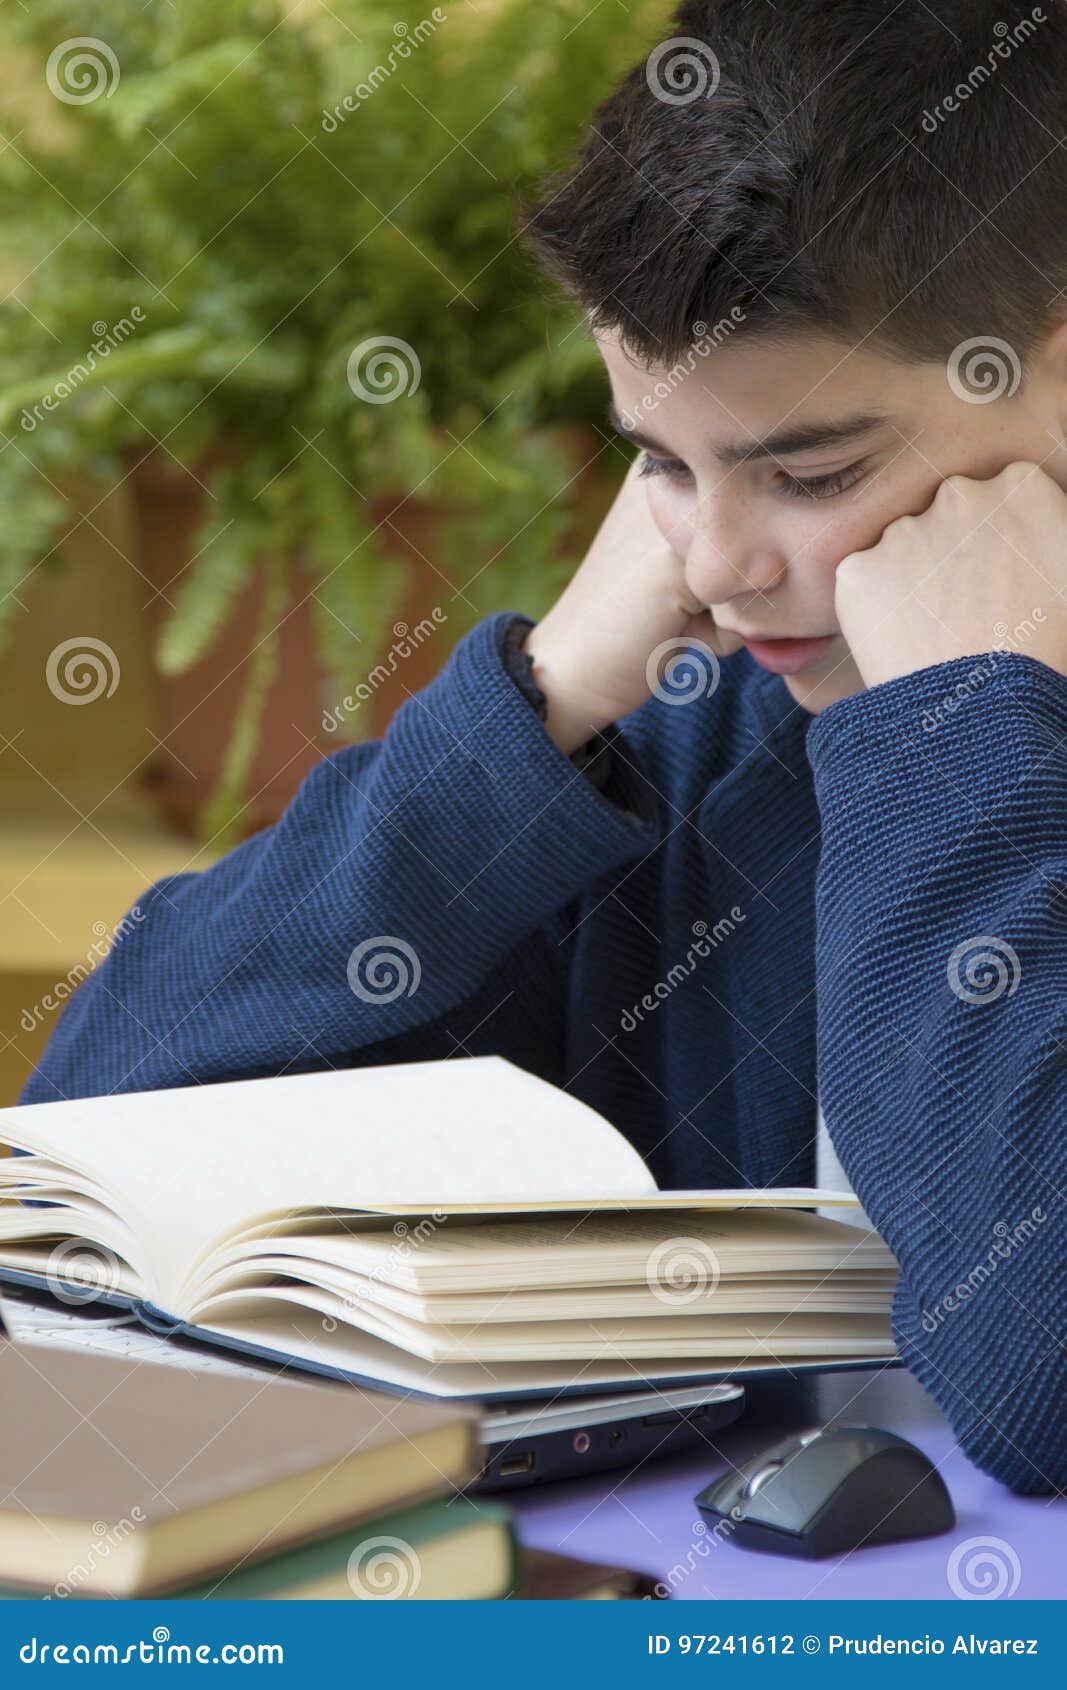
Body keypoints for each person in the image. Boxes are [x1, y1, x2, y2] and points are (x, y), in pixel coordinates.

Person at [22, 0, 1067, 1494]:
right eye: (658, 460)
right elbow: (94, 1112)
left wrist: (958, 746)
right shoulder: (706, 724)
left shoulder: (893, 732)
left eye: (813, 469)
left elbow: (1045, 1375)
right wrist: (544, 708)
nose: (712, 563)